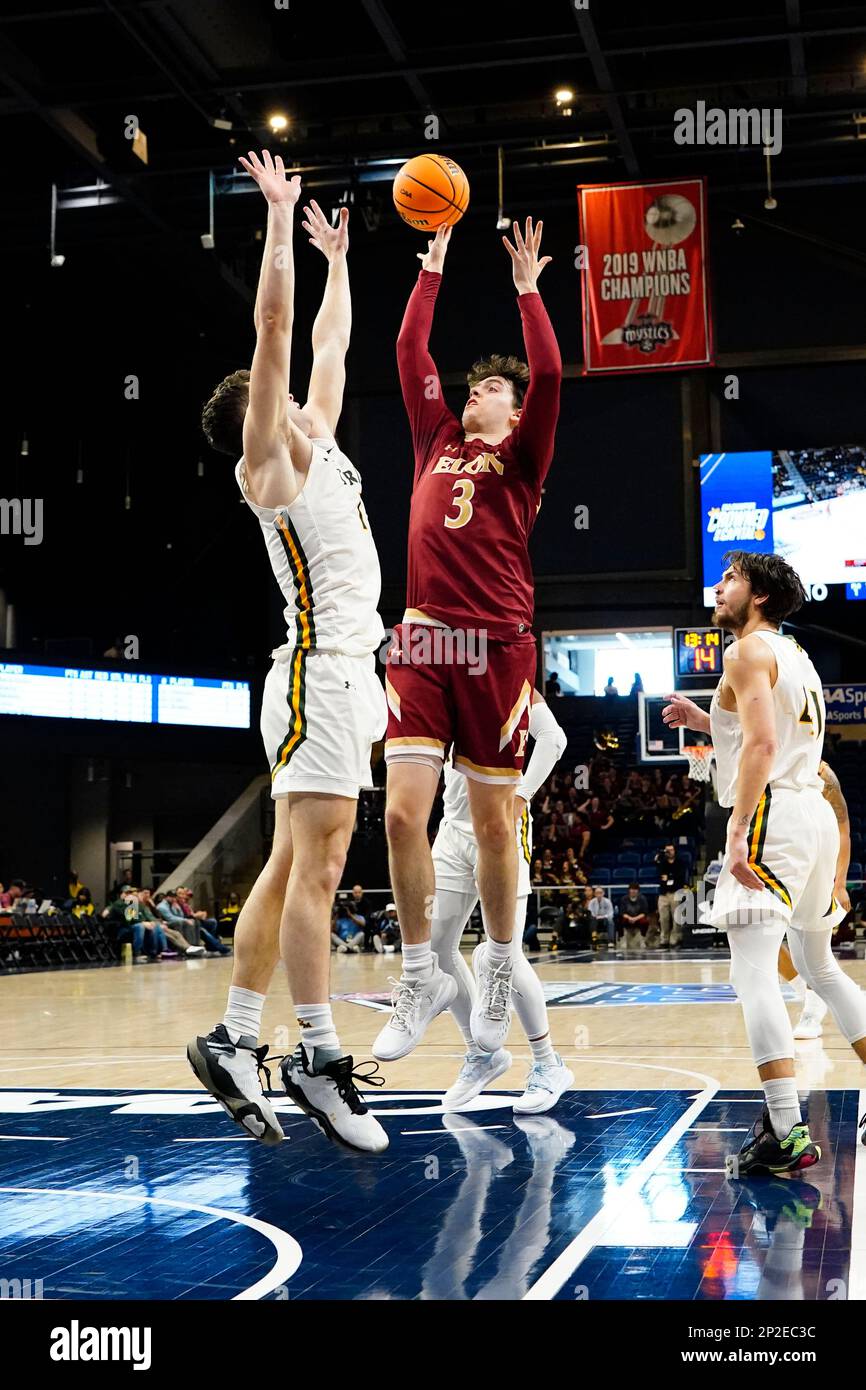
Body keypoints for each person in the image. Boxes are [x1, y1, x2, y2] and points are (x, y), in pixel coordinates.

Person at [189, 152, 388, 1154]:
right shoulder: (269, 464)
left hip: (346, 677)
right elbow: (276, 328)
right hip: (318, 676)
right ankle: (315, 1053)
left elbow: (327, 341)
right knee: (320, 867)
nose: (307, 396)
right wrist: (275, 220)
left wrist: (338, 259)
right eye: (281, 399)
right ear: (261, 423)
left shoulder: (324, 441)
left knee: (290, 862)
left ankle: (232, 1038)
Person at [373, 214, 561, 1065]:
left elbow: (548, 371)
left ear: (513, 411)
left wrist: (527, 290)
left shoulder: (523, 457)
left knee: (493, 827)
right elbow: (409, 350)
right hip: (423, 641)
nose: (473, 391)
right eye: (474, 385)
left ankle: (499, 963)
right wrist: (433, 269)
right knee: (399, 815)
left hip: (497, 647)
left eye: (489, 387)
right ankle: (421, 976)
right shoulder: (436, 440)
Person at [664, 550, 866, 1175]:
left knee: (753, 976)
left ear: (760, 597)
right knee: (819, 967)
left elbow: (763, 743)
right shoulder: (794, 653)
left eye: (731, 580)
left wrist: (736, 829)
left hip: (773, 816)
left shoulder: (745, 651)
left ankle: (785, 1129)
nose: (718, 587)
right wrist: (706, 720)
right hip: (810, 815)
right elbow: (765, 733)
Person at [418, 690, 572, 1111]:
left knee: (502, 953)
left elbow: (553, 739)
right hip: (452, 830)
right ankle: (482, 1054)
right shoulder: (441, 681)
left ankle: (548, 1063)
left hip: (501, 827)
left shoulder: (510, 678)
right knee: (435, 949)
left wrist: (520, 798)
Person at [777, 760, 852, 1039]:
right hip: (782, 865)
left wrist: (840, 884)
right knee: (760, 939)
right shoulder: (774, 767)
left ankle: (813, 1009)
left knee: (814, 958)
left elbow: (843, 831)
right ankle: (809, 997)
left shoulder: (823, 774)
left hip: (816, 869)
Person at [654, 842, 688, 948]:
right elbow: (659, 872)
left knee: (676, 917)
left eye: (671, 850)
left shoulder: (680, 862)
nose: (669, 852)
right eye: (667, 850)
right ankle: (664, 940)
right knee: (663, 918)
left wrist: (669, 877)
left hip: (675, 893)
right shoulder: (663, 862)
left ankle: (676, 939)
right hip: (663, 893)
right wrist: (660, 854)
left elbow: (680, 876)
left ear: (675, 851)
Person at [619, 883, 650, 950]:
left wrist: (635, 918)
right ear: (629, 890)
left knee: (645, 921)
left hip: (638, 918)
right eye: (632, 889)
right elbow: (622, 913)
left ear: (638, 891)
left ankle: (642, 939)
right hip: (628, 918)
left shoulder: (642, 899)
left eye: (635, 889)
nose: (633, 891)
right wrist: (630, 918)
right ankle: (622, 939)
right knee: (619, 920)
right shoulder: (624, 899)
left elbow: (644, 913)